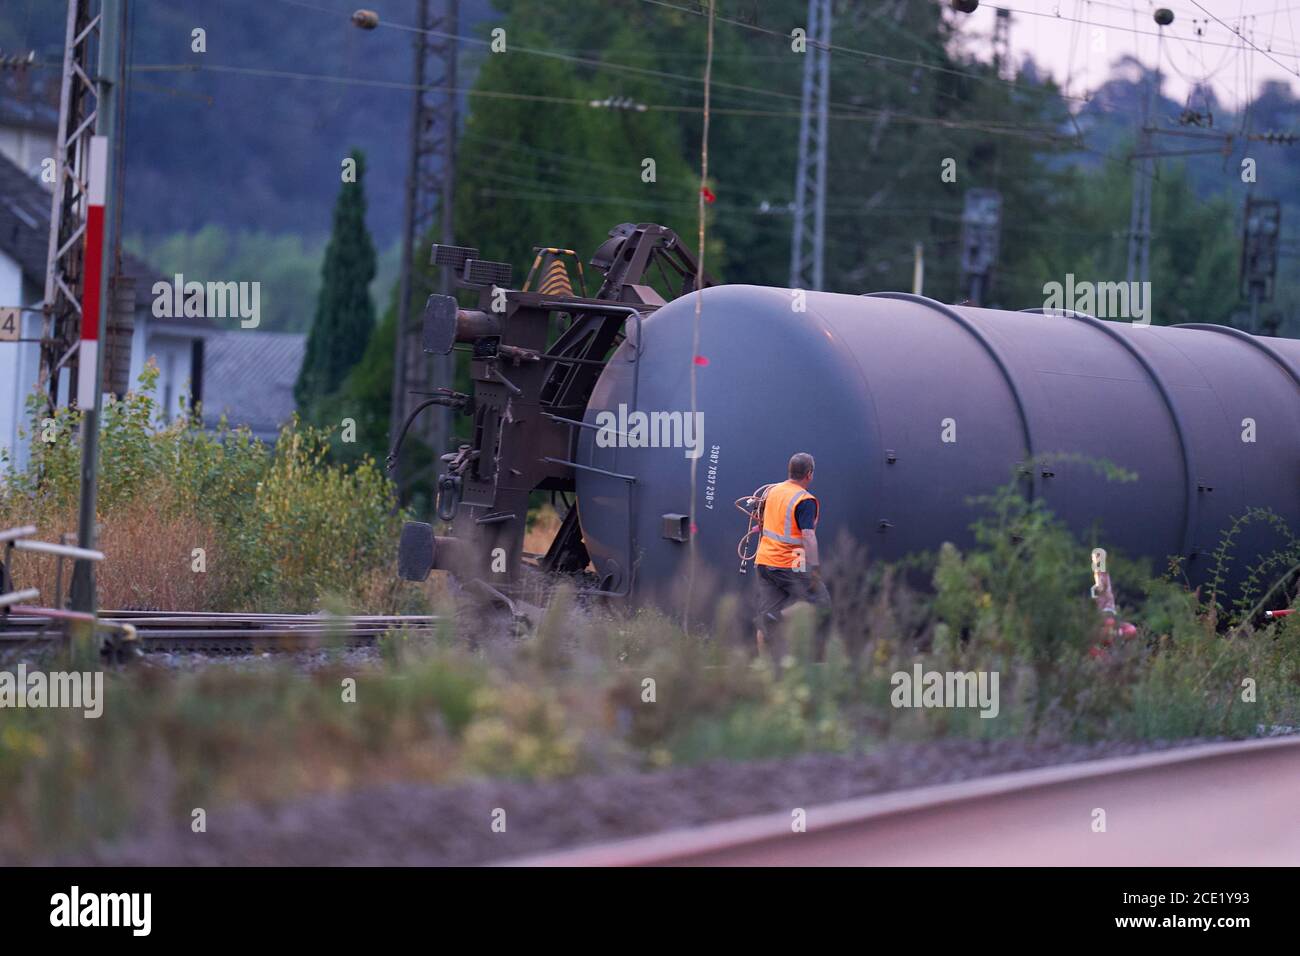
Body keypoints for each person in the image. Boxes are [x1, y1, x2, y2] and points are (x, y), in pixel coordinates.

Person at [752, 451, 832, 663]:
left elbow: (764, 522)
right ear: (809, 474)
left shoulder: (772, 491)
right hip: (789, 562)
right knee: (820, 601)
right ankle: (778, 619)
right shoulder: (804, 500)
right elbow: (808, 536)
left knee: (765, 622)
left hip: (764, 562)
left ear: (789, 471)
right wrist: (814, 569)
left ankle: (765, 671)